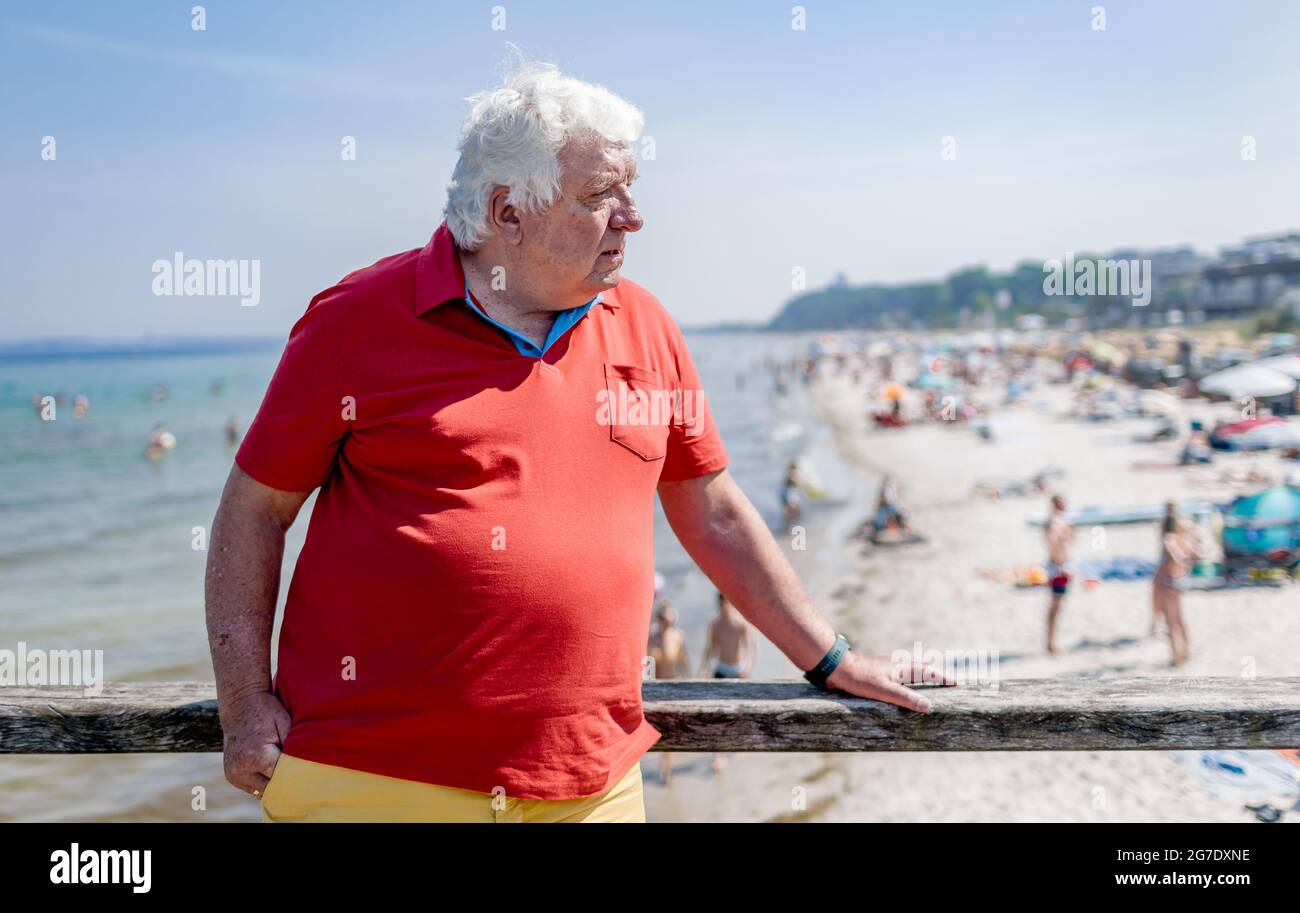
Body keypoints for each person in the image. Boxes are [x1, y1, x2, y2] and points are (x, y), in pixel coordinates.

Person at [206, 59, 953, 825]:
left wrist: (830, 656)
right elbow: (255, 508)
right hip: (375, 778)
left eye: (630, 189)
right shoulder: (355, 319)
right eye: (600, 195)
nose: (632, 216)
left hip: (588, 783)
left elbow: (712, 508)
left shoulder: (646, 323)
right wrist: (243, 700)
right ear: (507, 212)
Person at [697, 593, 757, 772]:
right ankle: (719, 755)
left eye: (727, 602)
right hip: (721, 670)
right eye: (722, 602)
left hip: (738, 671)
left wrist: (748, 667)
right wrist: (704, 669)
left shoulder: (740, 623)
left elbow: (752, 647)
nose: (725, 606)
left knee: (739, 711)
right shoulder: (715, 624)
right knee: (718, 713)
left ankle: (738, 744)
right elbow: (710, 649)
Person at [645, 600, 690, 785]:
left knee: (667, 731)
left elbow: (684, 664)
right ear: (658, 619)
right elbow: (644, 665)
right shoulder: (650, 638)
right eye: (665, 620)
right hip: (655, 691)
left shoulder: (678, 637)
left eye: (672, 620)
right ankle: (664, 765)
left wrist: (690, 687)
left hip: (672, 690)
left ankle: (666, 768)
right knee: (656, 730)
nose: (668, 624)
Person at [1152, 502, 1198, 666]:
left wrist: (1182, 561)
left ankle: (1176, 657)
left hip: (1167, 581)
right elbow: (1195, 555)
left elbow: (1177, 556)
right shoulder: (1183, 539)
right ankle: (1186, 651)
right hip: (1178, 581)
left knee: (1171, 621)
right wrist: (1186, 567)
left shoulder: (1169, 539)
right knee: (1179, 619)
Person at [1044, 493, 1076, 655]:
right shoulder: (1055, 522)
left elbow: (1070, 540)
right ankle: (1050, 643)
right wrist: (1060, 565)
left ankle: (1051, 641)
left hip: (1061, 566)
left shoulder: (1060, 521)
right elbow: (1053, 542)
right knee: (1055, 606)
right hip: (1058, 567)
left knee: (1057, 605)